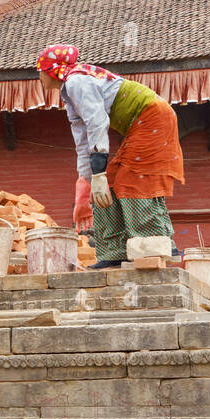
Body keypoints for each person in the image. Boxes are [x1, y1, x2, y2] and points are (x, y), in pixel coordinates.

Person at [37, 44, 183, 267]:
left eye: (39, 70)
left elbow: (97, 122)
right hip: (140, 123)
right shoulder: (71, 89)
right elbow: (82, 139)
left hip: (152, 116)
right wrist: (85, 182)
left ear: (50, 69)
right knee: (110, 183)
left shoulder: (77, 81)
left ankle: (156, 244)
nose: (38, 76)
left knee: (133, 179)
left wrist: (98, 171)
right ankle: (114, 252)